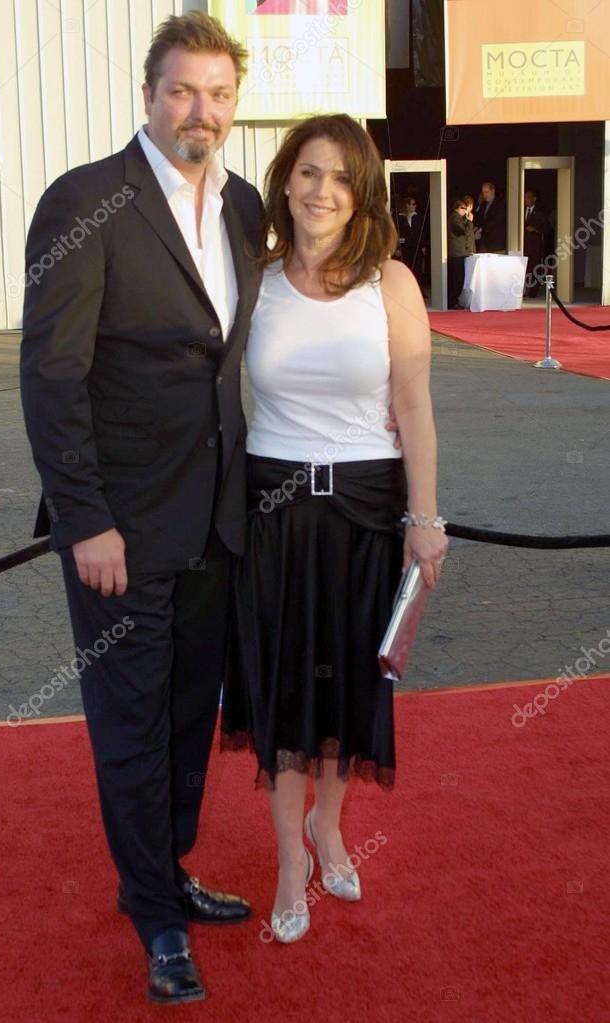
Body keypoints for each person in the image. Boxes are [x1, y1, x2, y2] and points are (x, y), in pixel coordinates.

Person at [20, 12, 265, 1006]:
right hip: (120, 530)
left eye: (216, 93)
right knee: (128, 725)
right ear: (147, 93)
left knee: (185, 717)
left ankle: (166, 873)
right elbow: (51, 376)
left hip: (216, 522)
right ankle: (154, 916)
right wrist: (85, 521)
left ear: (233, 105)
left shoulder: (247, 205)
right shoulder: (85, 202)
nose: (197, 110)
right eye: (180, 90)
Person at [221, 114, 448, 944]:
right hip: (273, 513)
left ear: (364, 195)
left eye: (343, 178)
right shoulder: (252, 278)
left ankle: (329, 826)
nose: (324, 191)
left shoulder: (390, 282)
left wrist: (424, 517)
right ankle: (289, 861)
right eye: (311, 173)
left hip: (364, 514)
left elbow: (414, 406)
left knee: (346, 690)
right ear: (286, 179)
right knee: (285, 692)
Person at [448, 196, 476, 308]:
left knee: (459, 279)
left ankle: (454, 301)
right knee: (458, 279)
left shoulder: (458, 218)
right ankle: (452, 301)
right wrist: (469, 222)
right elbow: (463, 231)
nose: (465, 211)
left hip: (461, 252)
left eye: (466, 208)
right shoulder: (455, 218)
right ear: (458, 208)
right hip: (457, 253)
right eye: (463, 208)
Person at [397, 194, 426, 288]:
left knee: (417, 269)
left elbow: (420, 232)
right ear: (407, 205)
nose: (415, 206)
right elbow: (397, 233)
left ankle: (417, 288)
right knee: (406, 268)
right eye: (413, 204)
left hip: (415, 247)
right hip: (404, 248)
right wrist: (397, 247)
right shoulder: (400, 218)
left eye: (415, 204)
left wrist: (423, 246)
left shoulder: (416, 217)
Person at [522, 188, 547, 298]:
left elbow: (547, 227)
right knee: (525, 268)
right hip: (523, 245)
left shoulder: (540, 212)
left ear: (534, 199)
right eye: (525, 197)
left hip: (535, 245)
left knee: (534, 268)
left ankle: (533, 292)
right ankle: (524, 290)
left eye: (528, 197)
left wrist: (535, 229)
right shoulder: (521, 211)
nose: (526, 200)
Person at [473, 181, 506, 253]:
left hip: (496, 242)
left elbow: (496, 220)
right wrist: (476, 227)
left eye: (486, 192)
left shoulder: (500, 204)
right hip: (484, 242)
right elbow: (479, 219)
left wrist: (481, 229)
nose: (484, 195)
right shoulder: (483, 204)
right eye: (483, 192)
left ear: (493, 191)